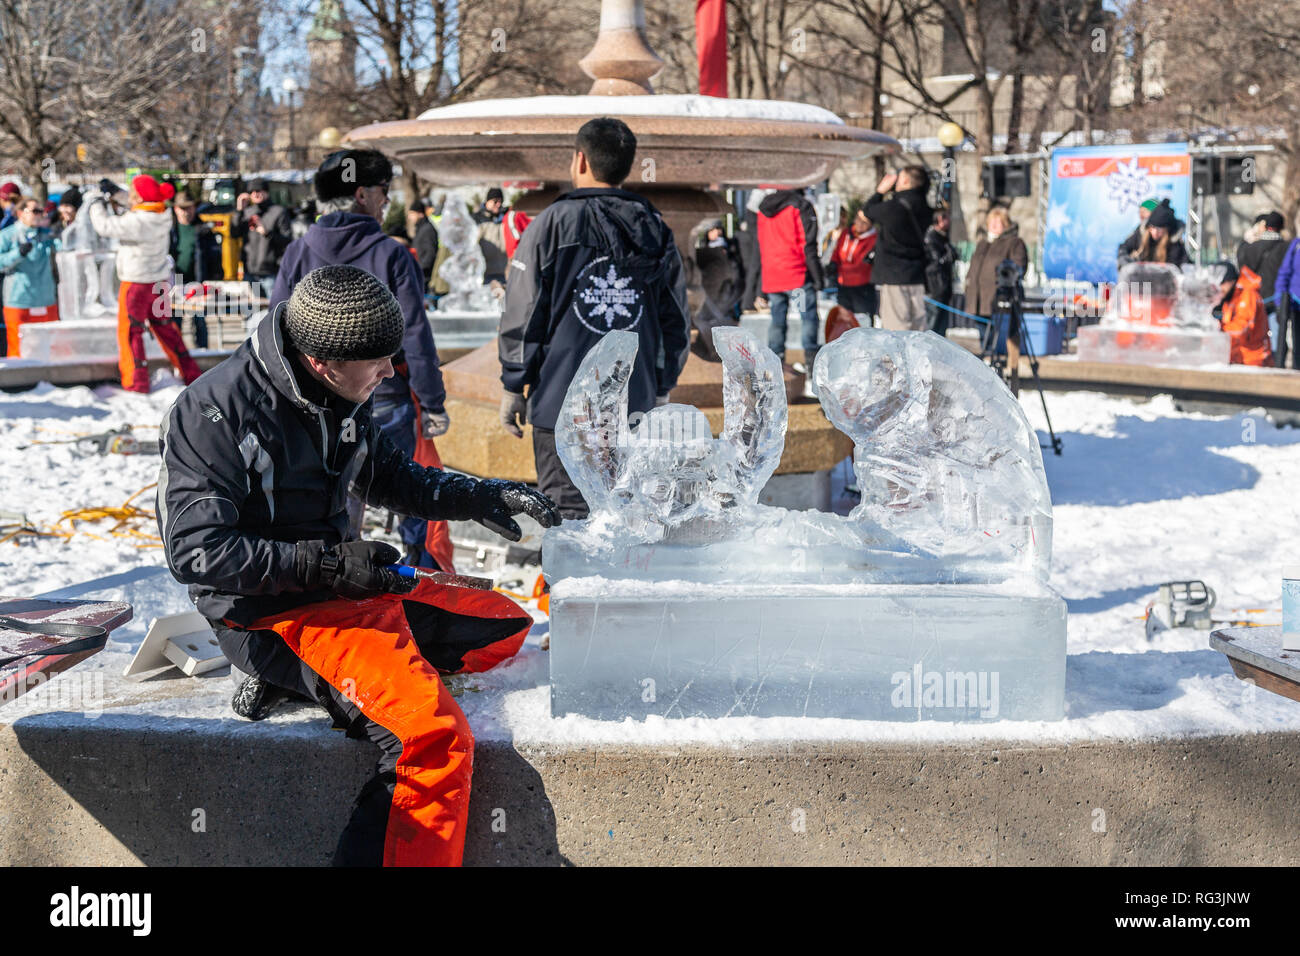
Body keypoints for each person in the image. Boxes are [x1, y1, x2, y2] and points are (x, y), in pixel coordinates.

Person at [157, 264, 561, 866]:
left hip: (340, 584)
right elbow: (197, 552)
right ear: (324, 362)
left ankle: (321, 683)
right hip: (269, 612)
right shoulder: (214, 412)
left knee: (500, 625)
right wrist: (328, 567)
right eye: (378, 363)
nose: (391, 373)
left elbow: (391, 477)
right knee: (429, 737)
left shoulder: (339, 391)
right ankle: (286, 672)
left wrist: (480, 496)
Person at [271, 149, 453, 572]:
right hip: (384, 396)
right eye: (383, 191)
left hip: (316, 403)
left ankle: (339, 586)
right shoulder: (391, 254)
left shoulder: (298, 251)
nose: (386, 201)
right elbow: (414, 334)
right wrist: (433, 400)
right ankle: (423, 590)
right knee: (411, 497)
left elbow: (278, 329)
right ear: (361, 195)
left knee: (333, 506)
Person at [499, 116, 690, 519]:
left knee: (565, 522)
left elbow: (522, 310)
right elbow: (675, 317)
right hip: (632, 404)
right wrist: (661, 386)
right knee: (627, 519)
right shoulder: (654, 227)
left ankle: (567, 585)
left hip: (560, 405)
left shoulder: (550, 224)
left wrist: (515, 384)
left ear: (580, 160)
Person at [87, 175, 201, 393]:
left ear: (139, 196)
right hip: (157, 283)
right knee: (167, 330)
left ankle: (136, 382)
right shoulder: (162, 213)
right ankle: (191, 373)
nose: (129, 196)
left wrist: (95, 203)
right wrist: (115, 192)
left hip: (135, 283)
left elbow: (105, 226)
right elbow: (140, 203)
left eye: (132, 192)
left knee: (131, 332)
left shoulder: (138, 221)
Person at [756, 187, 823, 371]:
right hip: (796, 277)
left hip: (773, 276)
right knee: (807, 317)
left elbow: (761, 245)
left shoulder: (763, 211)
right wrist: (818, 277)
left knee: (778, 320)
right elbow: (808, 244)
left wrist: (759, 286)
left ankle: (774, 361)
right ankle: (811, 362)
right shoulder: (799, 206)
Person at [864, 165, 933, 331]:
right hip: (917, 274)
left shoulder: (894, 207)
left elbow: (867, 211)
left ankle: (899, 358)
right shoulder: (925, 207)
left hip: (894, 275)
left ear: (906, 180)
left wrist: (880, 191)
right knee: (918, 328)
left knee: (897, 329)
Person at [0, 197, 61, 357]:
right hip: (19, 301)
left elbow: (65, 249)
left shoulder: (48, 235)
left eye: (41, 211)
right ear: (20, 213)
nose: (39, 214)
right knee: (19, 350)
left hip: (46, 300)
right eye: (35, 211)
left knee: (50, 348)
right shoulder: (7, 235)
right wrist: (18, 253)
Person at [170, 192, 220, 348]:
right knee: (175, 323)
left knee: (199, 321)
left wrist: (215, 278)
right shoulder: (170, 230)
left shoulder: (203, 229)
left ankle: (202, 354)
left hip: (197, 282)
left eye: (189, 207)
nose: (186, 211)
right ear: (176, 209)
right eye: (182, 208)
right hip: (175, 283)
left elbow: (215, 256)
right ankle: (177, 357)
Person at [231, 177, 293, 299]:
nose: (255, 194)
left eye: (259, 190)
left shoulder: (278, 212)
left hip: (270, 273)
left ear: (266, 192)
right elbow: (234, 233)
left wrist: (267, 233)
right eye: (252, 191)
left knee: (274, 311)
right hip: (250, 272)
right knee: (251, 313)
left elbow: (287, 241)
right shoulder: (248, 212)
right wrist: (239, 209)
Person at [1237, 211, 1287, 355]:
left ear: (1265, 227)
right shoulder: (1285, 248)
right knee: (1277, 333)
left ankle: (1254, 357)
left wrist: (1246, 241)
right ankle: (1277, 359)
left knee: (1254, 334)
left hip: (1254, 298)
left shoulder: (1252, 247)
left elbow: (1242, 266)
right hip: (1276, 297)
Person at [1216, 262, 1273, 367]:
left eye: (1222, 283)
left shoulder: (1247, 295)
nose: (1219, 288)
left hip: (1255, 360)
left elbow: (1241, 328)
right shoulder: (1230, 298)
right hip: (1239, 358)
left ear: (1231, 281)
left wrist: (1218, 328)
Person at [828, 204, 877, 322]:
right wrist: (833, 264)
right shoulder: (846, 233)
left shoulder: (873, 239)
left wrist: (842, 268)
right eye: (858, 220)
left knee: (861, 321)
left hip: (862, 285)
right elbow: (838, 252)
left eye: (864, 222)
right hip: (843, 284)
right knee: (844, 320)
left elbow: (862, 264)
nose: (860, 224)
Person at [1118, 198, 1188, 268]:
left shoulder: (1175, 244)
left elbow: (1182, 265)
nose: (1155, 232)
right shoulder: (1141, 234)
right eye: (1152, 228)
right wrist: (1126, 262)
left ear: (1167, 230)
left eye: (1159, 229)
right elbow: (1124, 248)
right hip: (1140, 276)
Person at [923, 207, 958, 336]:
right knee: (933, 325)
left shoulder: (943, 238)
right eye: (947, 218)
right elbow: (934, 263)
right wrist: (948, 257)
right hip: (934, 288)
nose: (950, 221)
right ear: (940, 220)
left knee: (941, 327)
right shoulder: (931, 238)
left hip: (943, 288)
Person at [407, 199, 439, 290]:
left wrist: (420, 269)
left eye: (412, 214)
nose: (409, 217)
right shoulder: (420, 229)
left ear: (420, 214)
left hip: (425, 278)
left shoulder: (427, 229)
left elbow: (430, 253)